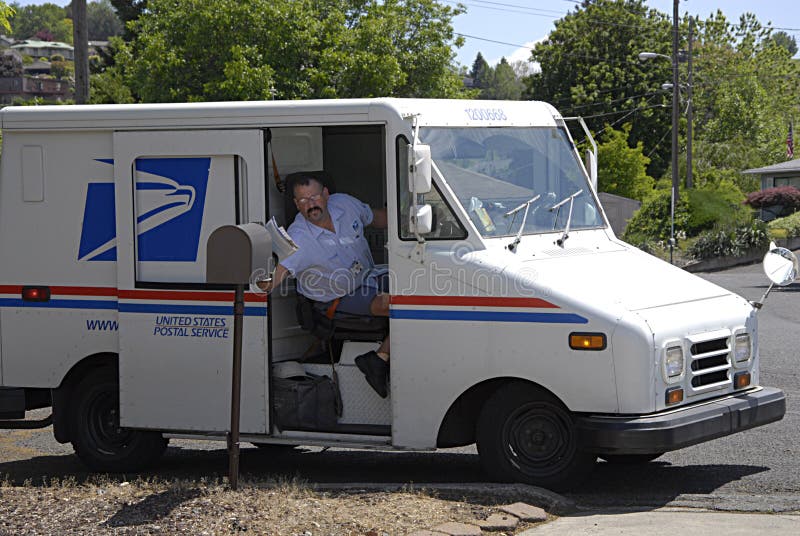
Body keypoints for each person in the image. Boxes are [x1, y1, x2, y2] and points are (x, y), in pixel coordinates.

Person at [258, 174, 391, 398]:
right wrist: (255, 277)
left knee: (422, 287)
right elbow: (273, 280)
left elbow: (378, 218)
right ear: (295, 204)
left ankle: (378, 359)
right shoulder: (297, 238)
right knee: (398, 304)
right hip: (336, 297)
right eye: (302, 201)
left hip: (370, 275)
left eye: (314, 197)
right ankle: (380, 359)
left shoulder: (345, 204)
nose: (311, 205)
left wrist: (412, 220)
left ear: (326, 194)